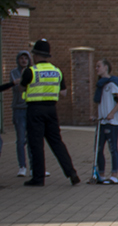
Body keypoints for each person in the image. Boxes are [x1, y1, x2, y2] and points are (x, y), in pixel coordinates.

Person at [21, 39, 82, 187]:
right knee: (57, 142)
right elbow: (64, 93)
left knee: (36, 144)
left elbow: (22, 89)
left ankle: (38, 178)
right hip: (51, 110)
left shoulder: (30, 71)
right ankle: (72, 173)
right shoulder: (57, 71)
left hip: (35, 110)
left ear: (35, 55)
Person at [94, 58, 118, 184]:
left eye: (98, 66)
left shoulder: (112, 84)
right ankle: (100, 174)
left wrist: (112, 113)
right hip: (102, 122)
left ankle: (114, 174)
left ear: (106, 67)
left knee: (113, 148)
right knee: (98, 148)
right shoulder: (100, 85)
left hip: (113, 123)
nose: (97, 69)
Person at [11, 51, 30, 176]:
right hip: (18, 109)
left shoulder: (32, 71)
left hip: (30, 108)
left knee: (33, 139)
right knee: (20, 139)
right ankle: (22, 166)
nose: (23, 60)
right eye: (21, 58)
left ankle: (35, 167)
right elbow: (16, 86)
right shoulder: (13, 72)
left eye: (26, 58)